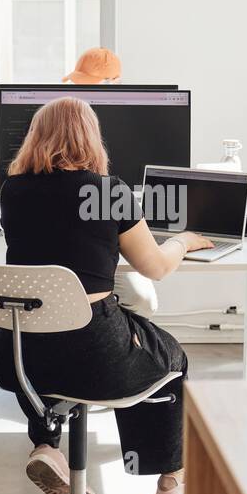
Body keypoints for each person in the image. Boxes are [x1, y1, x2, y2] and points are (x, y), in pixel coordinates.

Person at [0, 96, 213, 494]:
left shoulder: (12, 190)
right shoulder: (111, 193)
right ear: (91, 139)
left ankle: (47, 446)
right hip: (98, 360)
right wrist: (183, 240)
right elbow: (155, 267)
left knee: (42, 341)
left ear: (36, 137)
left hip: (13, 357)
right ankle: (168, 481)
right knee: (170, 359)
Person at [62, 46, 160, 316]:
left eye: (88, 86)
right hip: (69, 222)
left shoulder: (130, 123)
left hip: (105, 220)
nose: (80, 94)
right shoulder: (61, 118)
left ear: (113, 83)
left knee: (142, 299)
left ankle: (113, 340)